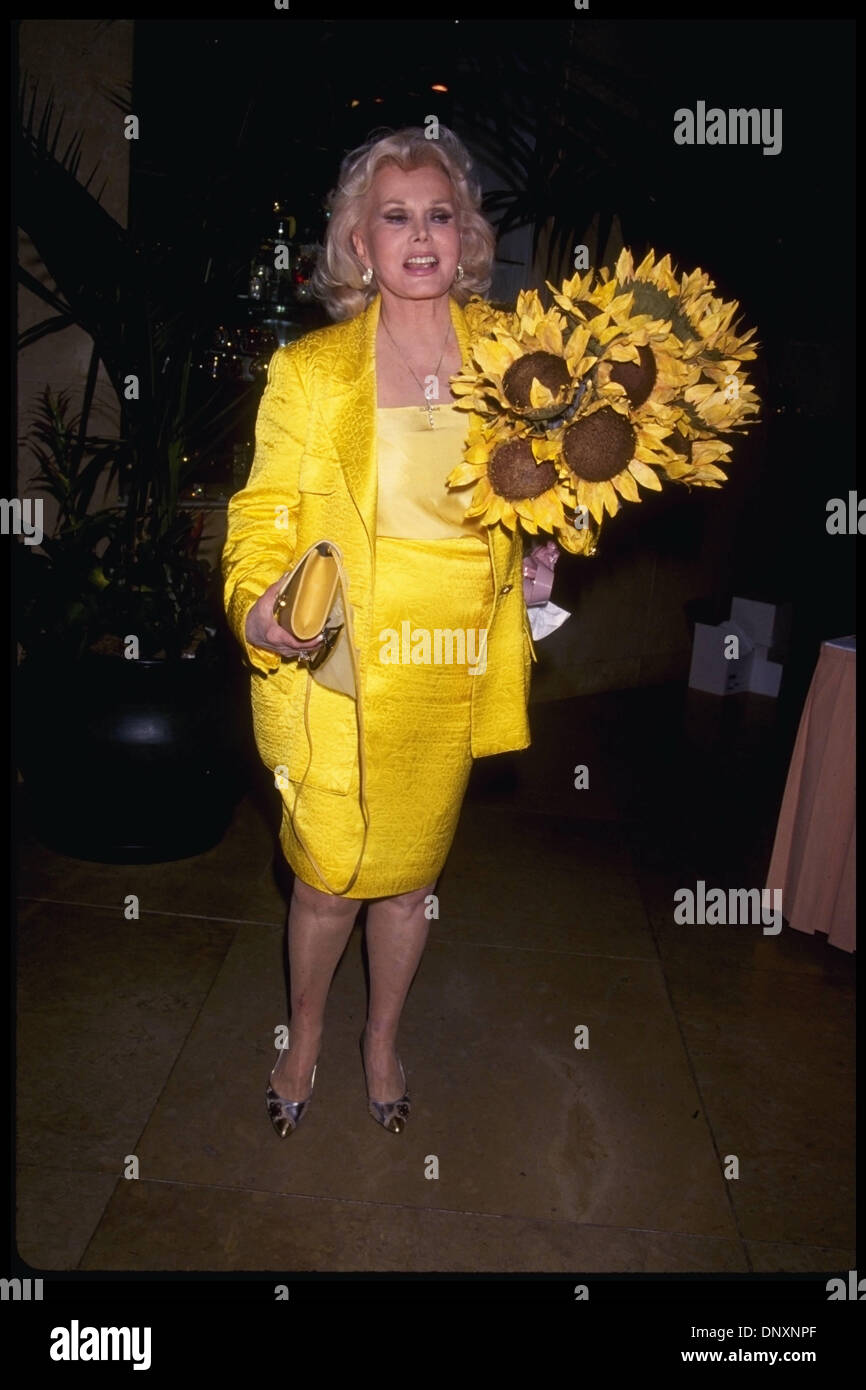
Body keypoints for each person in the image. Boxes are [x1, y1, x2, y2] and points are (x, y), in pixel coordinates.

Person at [221, 125, 536, 1138]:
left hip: (446, 669)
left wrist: (539, 552)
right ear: (357, 240)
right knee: (323, 881)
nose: (418, 234)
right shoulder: (312, 372)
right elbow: (261, 511)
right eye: (393, 215)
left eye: (437, 214)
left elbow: (546, 491)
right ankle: (305, 1034)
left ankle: (381, 1040)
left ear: (466, 235)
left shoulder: (516, 363)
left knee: (407, 885)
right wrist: (253, 603)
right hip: (342, 666)